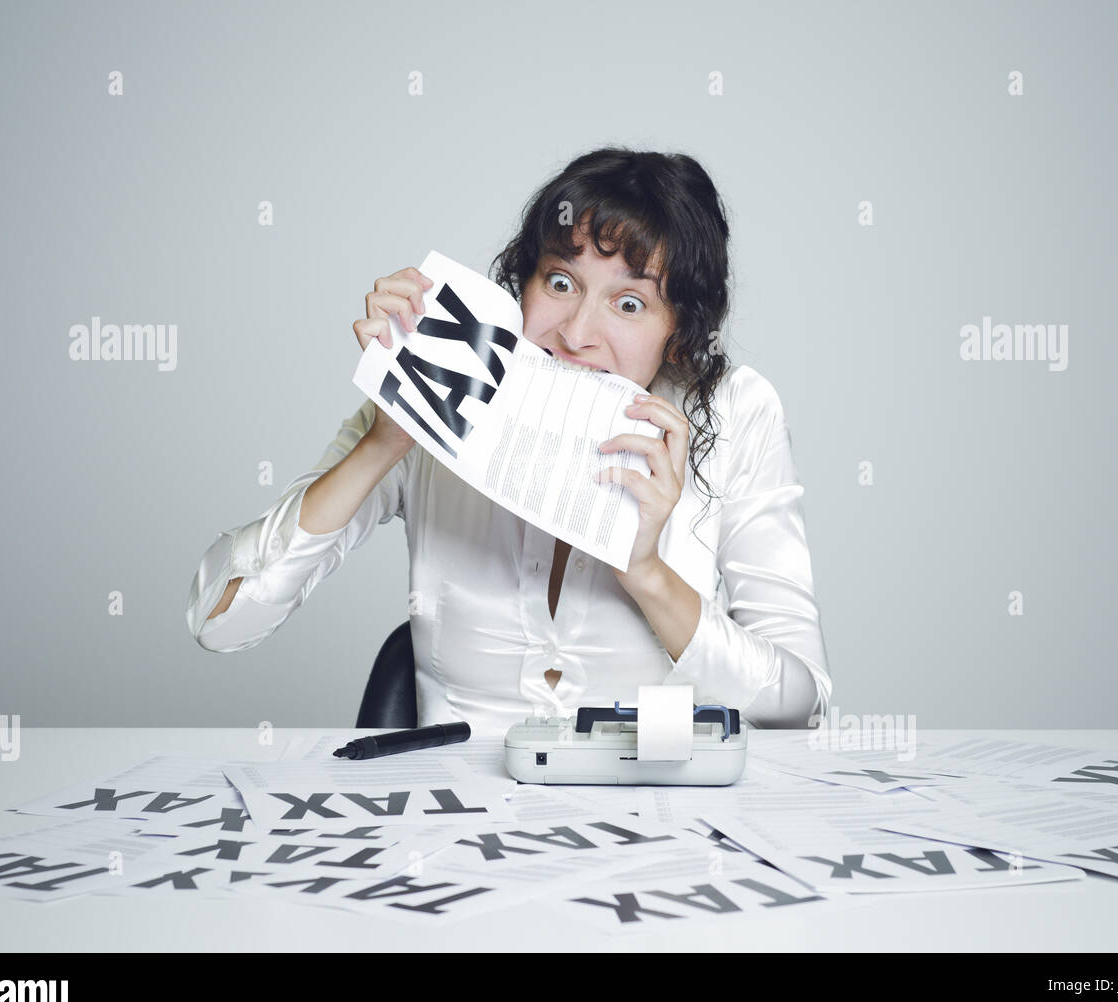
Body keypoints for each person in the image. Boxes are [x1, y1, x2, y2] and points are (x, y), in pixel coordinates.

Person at [185, 147, 831, 732]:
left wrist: (647, 573)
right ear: (521, 282)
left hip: (660, 825)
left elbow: (801, 703)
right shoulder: (443, 390)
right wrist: (381, 443)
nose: (577, 332)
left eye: (629, 303)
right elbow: (221, 619)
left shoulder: (737, 412)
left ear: (678, 332)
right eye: (560, 282)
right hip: (452, 830)